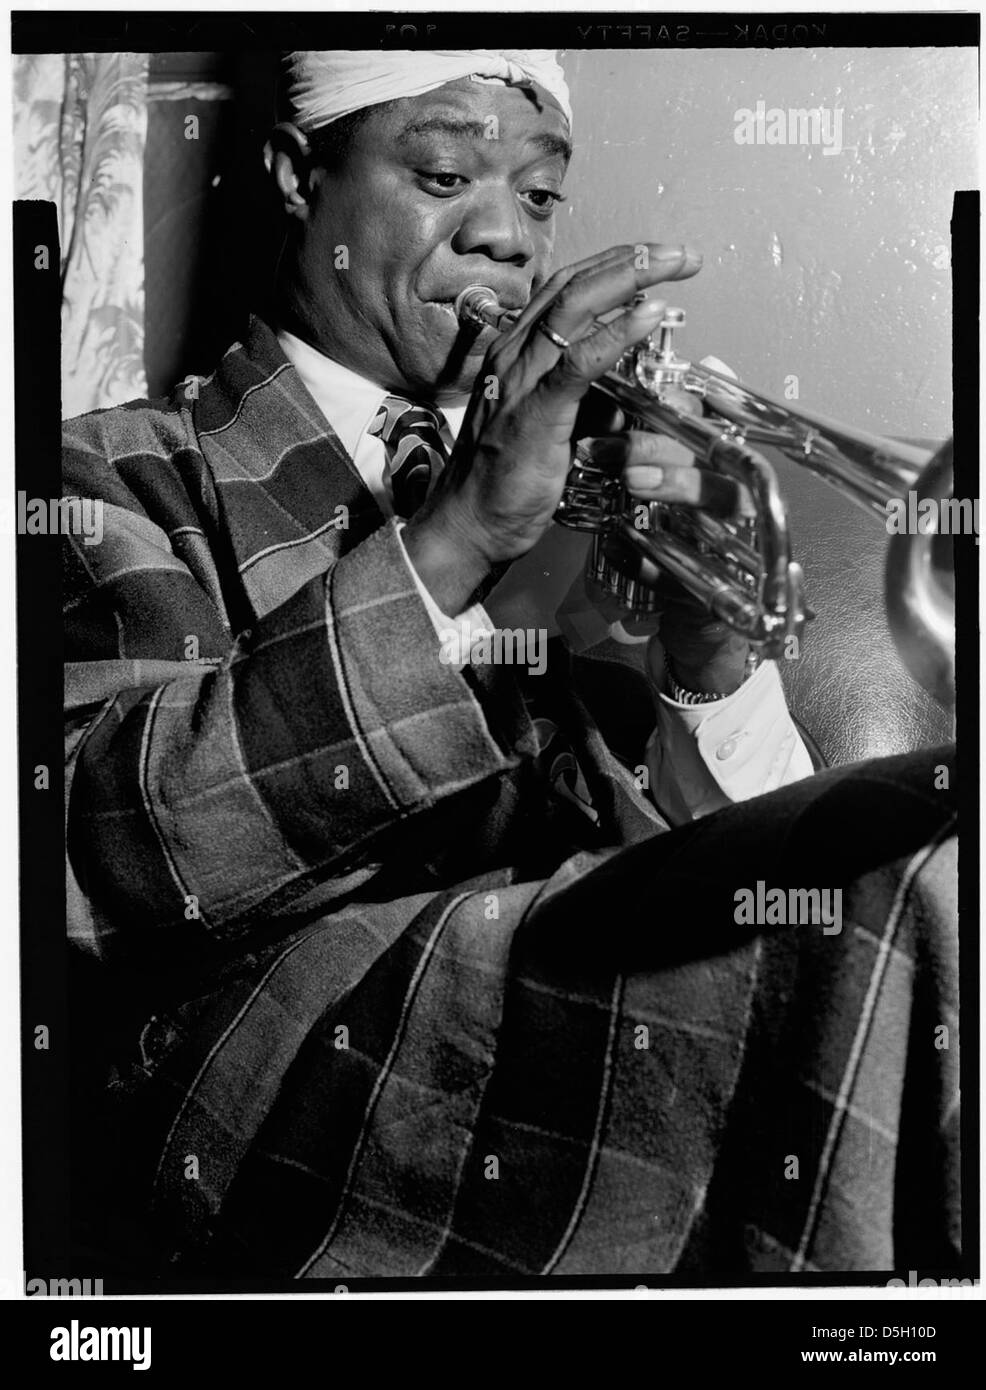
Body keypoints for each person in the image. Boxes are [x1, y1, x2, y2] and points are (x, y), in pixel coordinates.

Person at [63, 49, 958, 1280]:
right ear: (292, 177)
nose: (503, 236)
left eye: (539, 197)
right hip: (273, 1079)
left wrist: (712, 669)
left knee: (932, 855)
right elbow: (97, 854)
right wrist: (458, 536)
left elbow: (717, 881)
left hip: (571, 1025)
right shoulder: (112, 470)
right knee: (913, 909)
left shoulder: (584, 488)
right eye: (441, 173)